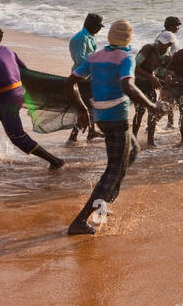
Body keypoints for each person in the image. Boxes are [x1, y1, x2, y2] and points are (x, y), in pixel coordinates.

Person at [64, 19, 164, 235]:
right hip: (117, 117)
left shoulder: (95, 56)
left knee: (133, 151)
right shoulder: (126, 57)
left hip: (101, 117)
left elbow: (70, 81)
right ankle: (80, 221)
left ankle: (104, 201)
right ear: (129, 38)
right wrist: (152, 106)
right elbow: (128, 85)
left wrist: (82, 109)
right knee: (113, 170)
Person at [0, 27, 63, 168]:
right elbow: (24, 69)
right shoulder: (9, 51)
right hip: (19, 94)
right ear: (0, 40)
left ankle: (54, 161)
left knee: (17, 137)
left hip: (7, 100)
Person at [132, 31, 175, 147]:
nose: (160, 45)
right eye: (160, 42)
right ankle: (133, 139)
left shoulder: (168, 57)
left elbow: (160, 74)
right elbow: (134, 66)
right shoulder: (148, 48)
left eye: (164, 44)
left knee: (153, 112)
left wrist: (165, 80)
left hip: (149, 83)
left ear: (170, 45)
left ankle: (150, 141)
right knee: (139, 112)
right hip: (138, 81)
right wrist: (151, 77)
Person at [67, 13, 105, 144]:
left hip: (89, 76)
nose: (99, 29)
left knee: (90, 105)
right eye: (98, 26)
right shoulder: (81, 38)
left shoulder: (88, 37)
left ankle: (91, 132)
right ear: (92, 25)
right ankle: (73, 136)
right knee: (85, 106)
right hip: (81, 78)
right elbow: (80, 59)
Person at [160, 17, 182, 129]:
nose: (178, 28)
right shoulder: (169, 36)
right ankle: (166, 122)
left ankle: (170, 122)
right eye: (177, 25)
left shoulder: (162, 35)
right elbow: (171, 55)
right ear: (171, 26)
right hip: (168, 71)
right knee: (168, 97)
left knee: (167, 97)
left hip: (164, 71)